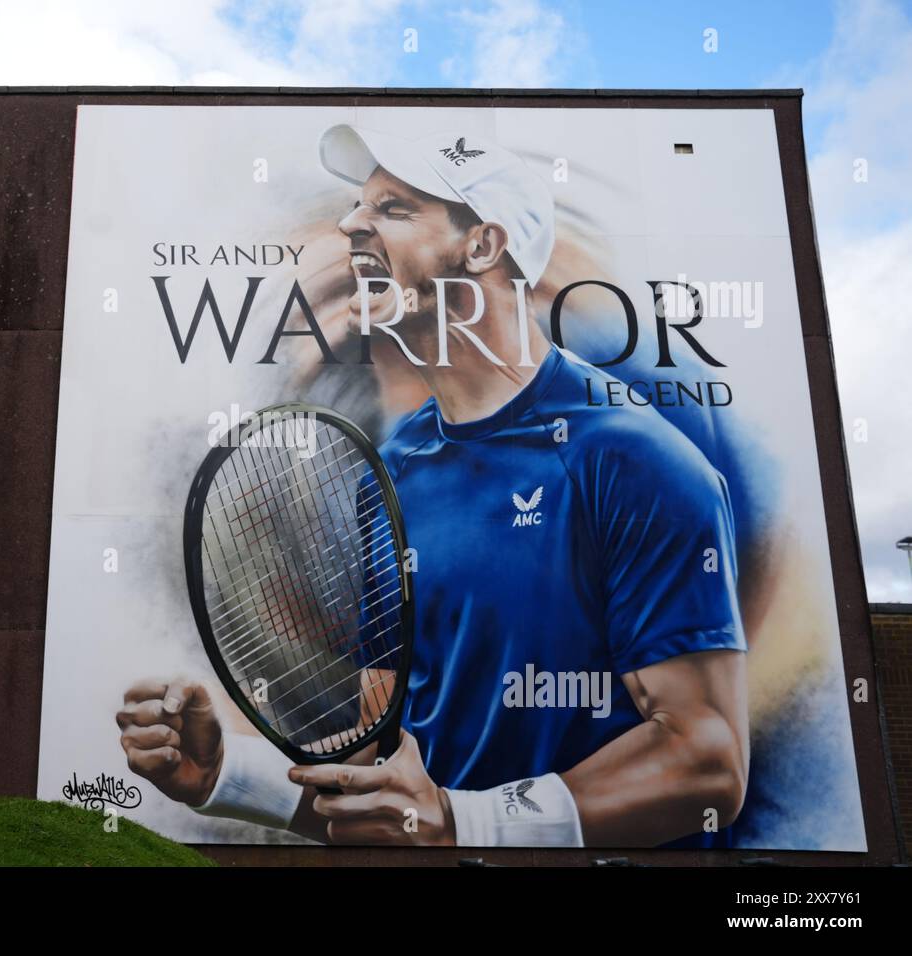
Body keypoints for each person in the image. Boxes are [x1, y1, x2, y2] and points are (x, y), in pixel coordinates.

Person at [118, 125, 749, 848]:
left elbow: (706, 762)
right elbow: (385, 759)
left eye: (392, 209)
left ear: (481, 247)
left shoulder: (632, 458)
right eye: (358, 207)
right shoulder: (393, 468)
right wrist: (228, 776)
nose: (352, 224)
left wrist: (459, 823)